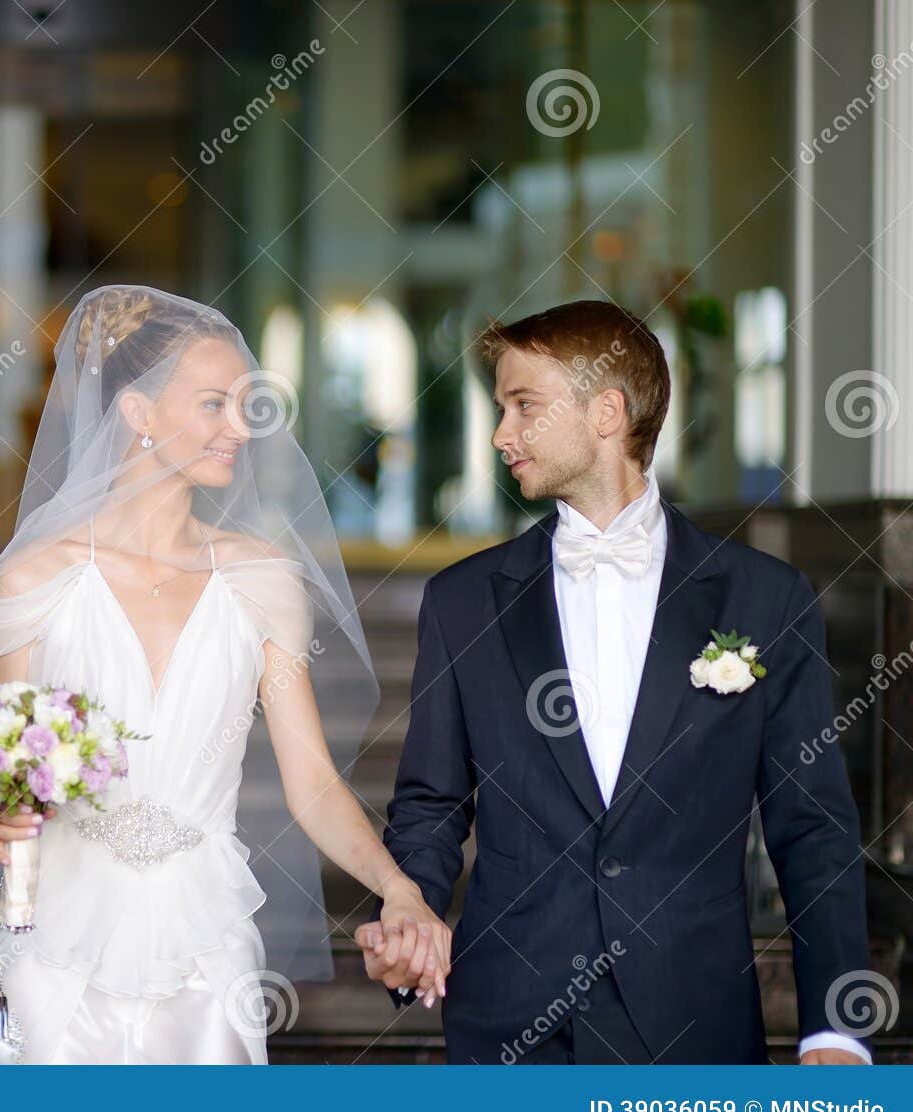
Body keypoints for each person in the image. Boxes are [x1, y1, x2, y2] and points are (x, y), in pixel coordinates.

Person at [0, 285, 449, 1063]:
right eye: (215, 404)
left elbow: (310, 781)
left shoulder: (261, 580)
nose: (240, 427)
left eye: (245, 403)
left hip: (208, 940)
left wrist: (398, 884)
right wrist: (11, 825)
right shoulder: (29, 588)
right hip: (57, 950)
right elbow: (12, 793)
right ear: (138, 414)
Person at [368, 299, 872, 1064]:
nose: (502, 433)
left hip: (694, 1027)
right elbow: (432, 805)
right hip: (509, 1028)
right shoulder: (462, 600)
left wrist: (836, 1026)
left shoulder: (764, 597)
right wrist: (409, 915)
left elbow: (812, 826)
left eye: (523, 405)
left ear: (607, 412)